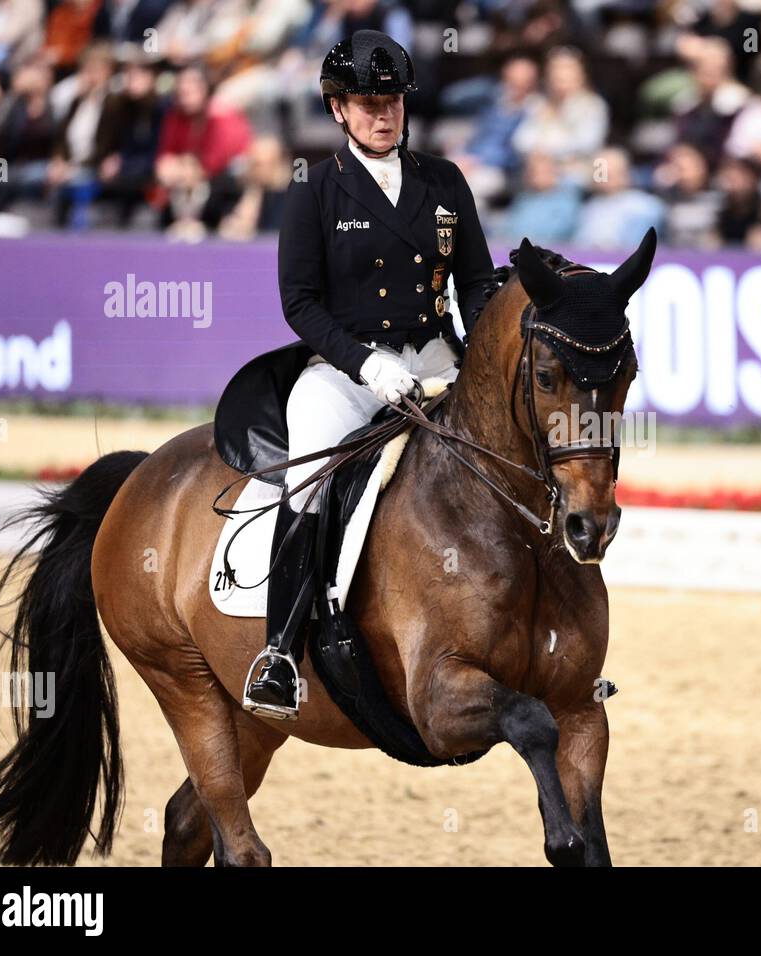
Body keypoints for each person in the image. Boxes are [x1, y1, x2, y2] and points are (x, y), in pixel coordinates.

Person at [241, 30, 494, 719]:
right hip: (346, 369)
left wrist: (483, 351)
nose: (384, 115)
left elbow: (475, 283)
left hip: (436, 359)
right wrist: (364, 362)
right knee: (308, 479)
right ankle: (280, 652)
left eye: (393, 102)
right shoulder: (315, 189)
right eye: (367, 103)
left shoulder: (444, 181)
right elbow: (299, 303)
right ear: (338, 109)